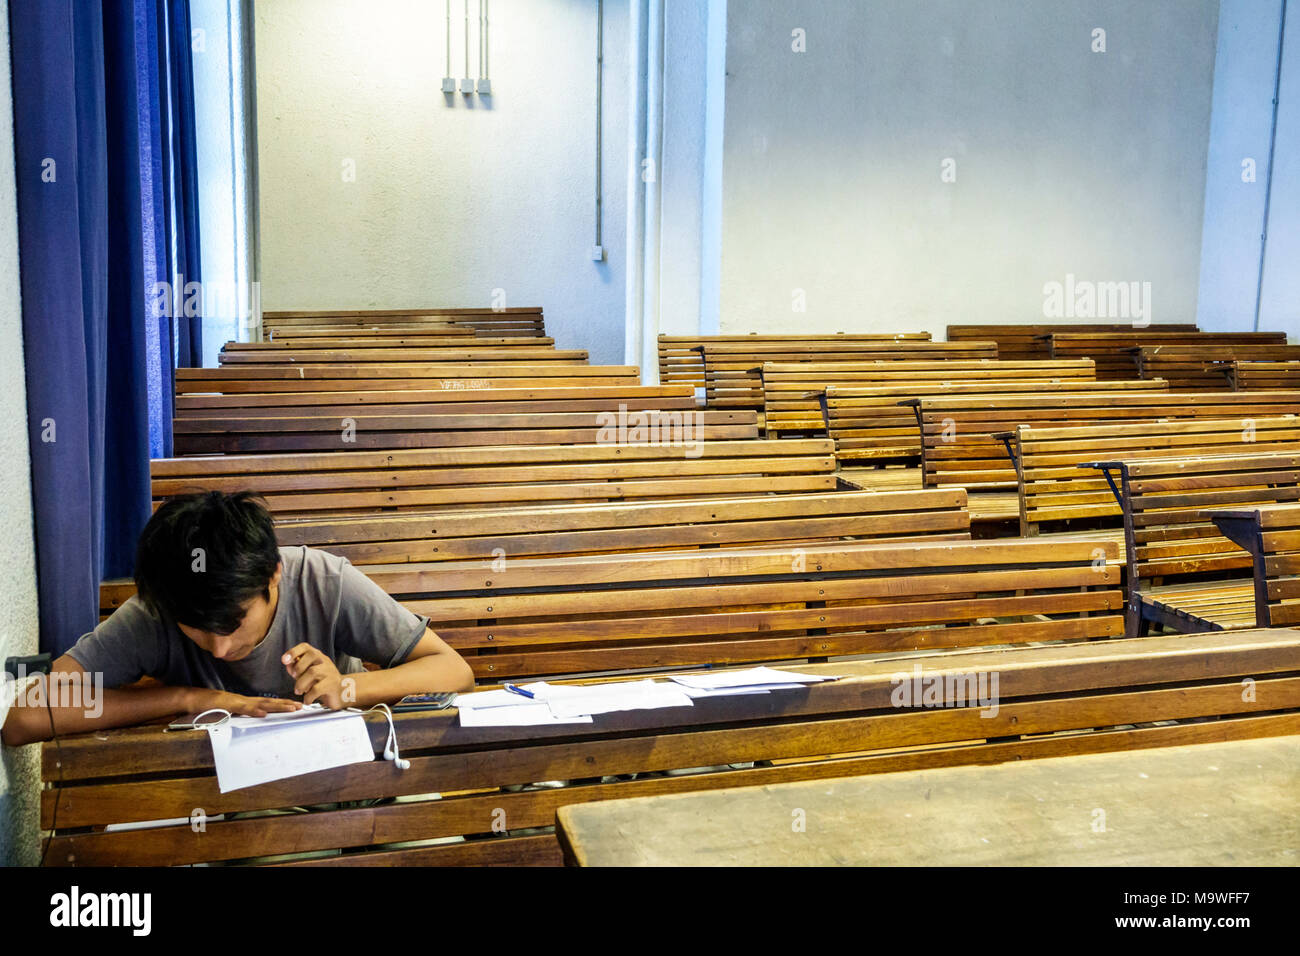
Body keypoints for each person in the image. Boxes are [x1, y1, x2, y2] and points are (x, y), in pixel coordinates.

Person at [1, 491, 475, 746]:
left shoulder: (321, 580)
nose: (221, 648)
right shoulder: (158, 609)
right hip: (235, 805)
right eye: (197, 628)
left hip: (348, 768)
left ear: (273, 575)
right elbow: (25, 716)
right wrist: (189, 697)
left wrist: (348, 689)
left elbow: (455, 671)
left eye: (234, 621)